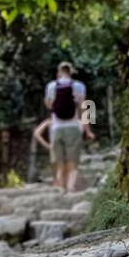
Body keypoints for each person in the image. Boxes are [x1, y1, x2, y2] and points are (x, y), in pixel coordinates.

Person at [44, 61, 93, 192]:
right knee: (72, 160)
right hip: (73, 127)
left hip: (56, 128)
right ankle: (70, 187)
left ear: (59, 72)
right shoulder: (79, 86)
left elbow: (49, 106)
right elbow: (84, 109)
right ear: (71, 72)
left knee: (60, 162)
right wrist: (87, 130)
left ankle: (60, 188)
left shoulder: (51, 86)